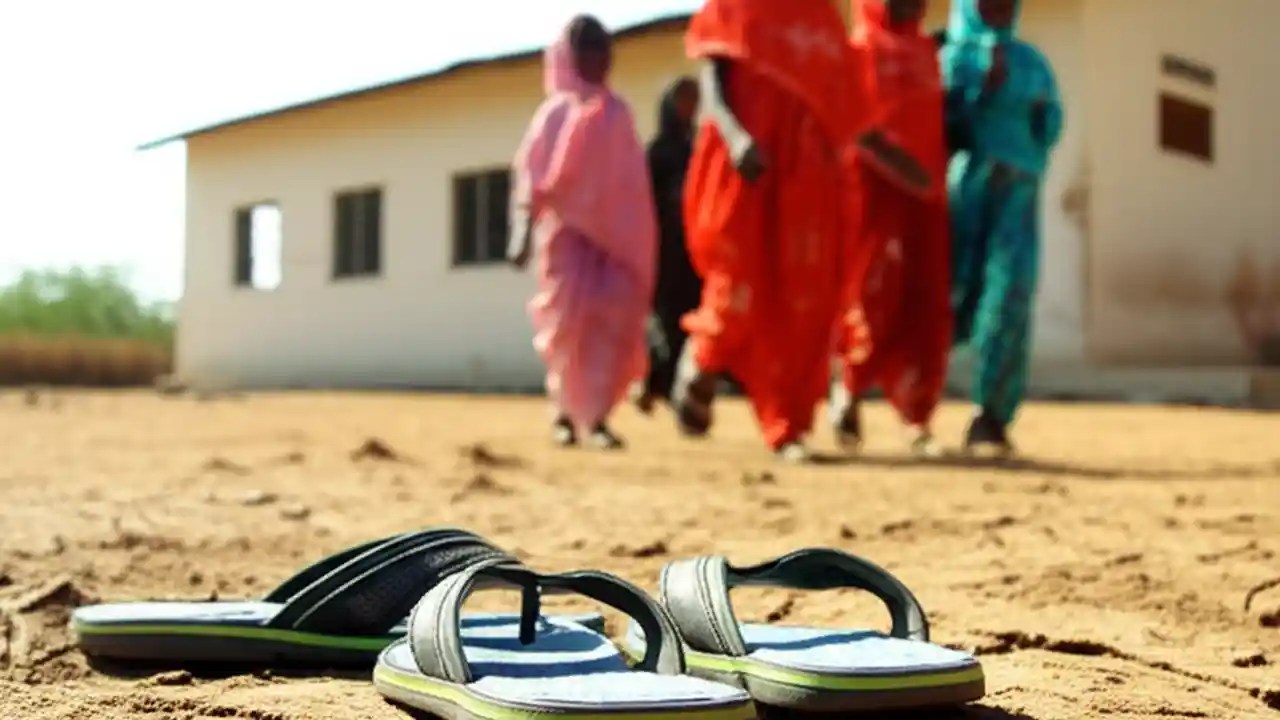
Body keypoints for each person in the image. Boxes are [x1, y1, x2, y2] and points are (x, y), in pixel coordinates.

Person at [674, 0, 930, 463]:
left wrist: (902, 166)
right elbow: (713, 83)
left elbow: (854, 115)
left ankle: (788, 425)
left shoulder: (826, 24)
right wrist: (735, 139)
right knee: (738, 286)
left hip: (811, 185)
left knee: (805, 304)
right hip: (748, 167)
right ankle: (703, 358)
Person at [509, 15, 657, 450]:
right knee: (567, 332)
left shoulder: (617, 114)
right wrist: (520, 231)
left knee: (609, 331)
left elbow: (632, 189)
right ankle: (563, 413)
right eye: (587, 49)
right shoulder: (554, 114)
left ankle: (597, 419)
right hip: (567, 245)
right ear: (570, 56)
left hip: (616, 251)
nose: (597, 59)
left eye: (602, 49)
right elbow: (530, 177)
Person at [941, 0, 1063, 454]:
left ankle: (990, 414)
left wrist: (1040, 114)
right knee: (954, 296)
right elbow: (939, 125)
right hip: (970, 192)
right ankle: (895, 396)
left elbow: (1051, 123)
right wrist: (976, 88)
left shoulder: (1032, 62)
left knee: (1011, 294)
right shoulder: (951, 58)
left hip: (1019, 194)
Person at [832, 0, 952, 458]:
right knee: (871, 293)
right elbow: (852, 121)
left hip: (927, 198)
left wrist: (926, 179)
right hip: (873, 194)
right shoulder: (860, 47)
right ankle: (850, 393)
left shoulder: (925, 51)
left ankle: (917, 416)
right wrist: (899, 163)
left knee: (924, 304)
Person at [635, 77, 702, 414]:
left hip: (694, 252)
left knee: (690, 323)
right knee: (666, 325)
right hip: (663, 253)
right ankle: (661, 388)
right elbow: (642, 205)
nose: (688, 108)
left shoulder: (699, 151)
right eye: (682, 100)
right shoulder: (656, 154)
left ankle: (665, 388)